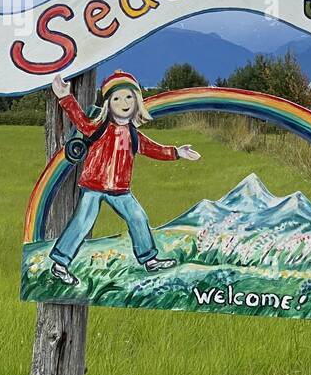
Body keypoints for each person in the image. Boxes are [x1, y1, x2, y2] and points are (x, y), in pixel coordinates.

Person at [47, 70, 200, 285]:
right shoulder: (99, 127)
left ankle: (149, 259)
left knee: (138, 217)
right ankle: (60, 264)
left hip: (120, 189)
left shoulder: (133, 134)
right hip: (94, 186)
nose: (124, 103)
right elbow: (80, 120)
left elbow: (152, 149)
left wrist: (177, 152)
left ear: (137, 101)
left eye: (129, 97)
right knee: (82, 221)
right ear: (108, 104)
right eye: (117, 98)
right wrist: (65, 97)